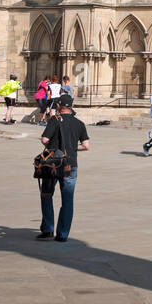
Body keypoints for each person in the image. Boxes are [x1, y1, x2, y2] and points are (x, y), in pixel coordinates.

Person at [36, 91, 89, 242]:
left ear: (58, 106)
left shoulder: (55, 119)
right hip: (70, 165)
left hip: (52, 164)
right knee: (67, 199)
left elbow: (45, 139)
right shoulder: (79, 123)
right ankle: (63, 234)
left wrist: (54, 146)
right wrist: (71, 148)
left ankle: (47, 230)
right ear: (72, 106)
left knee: (46, 195)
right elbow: (86, 146)